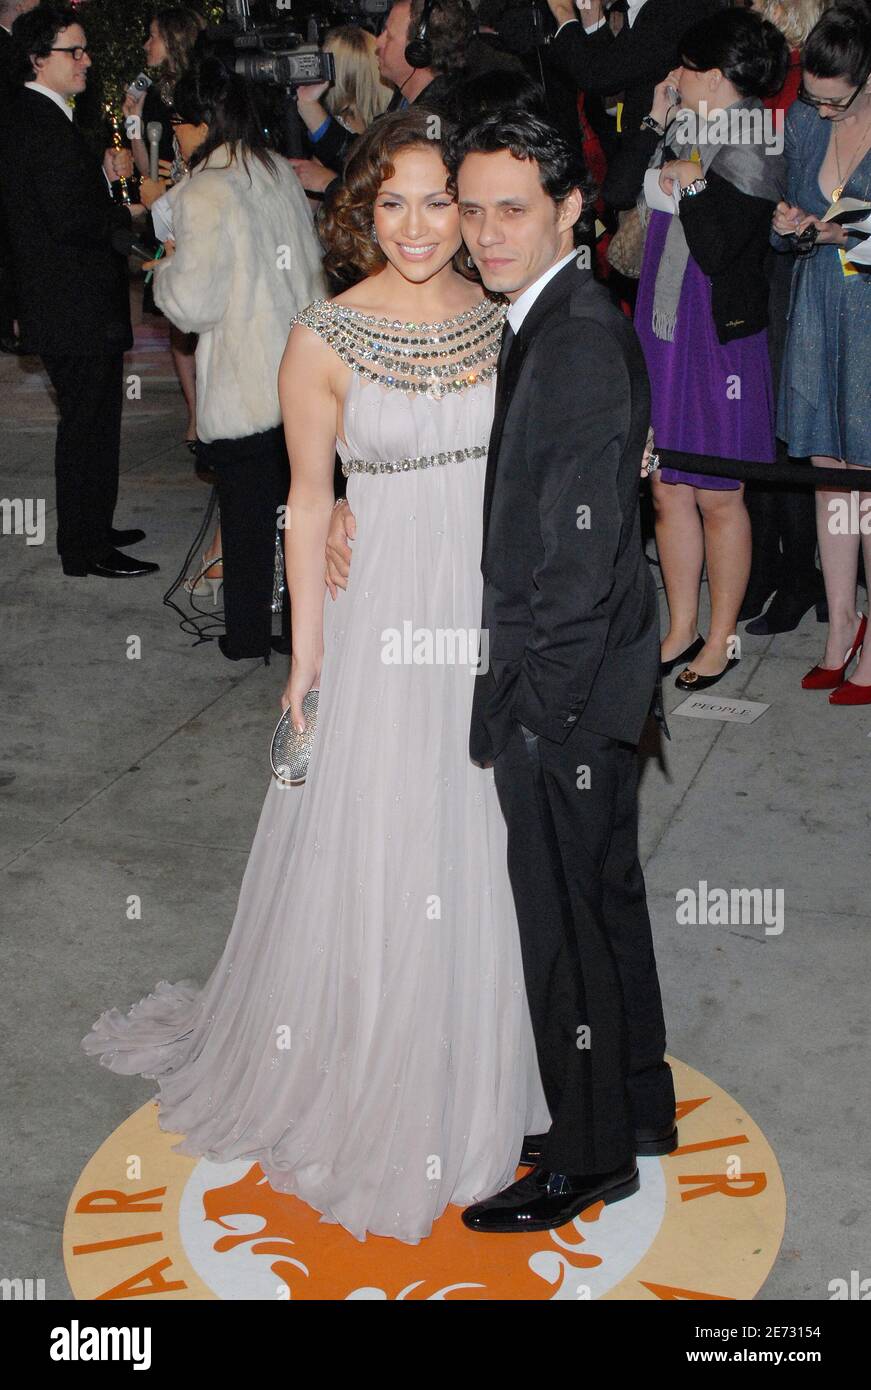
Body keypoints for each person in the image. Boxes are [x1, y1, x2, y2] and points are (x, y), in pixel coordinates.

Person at [82, 109, 550, 1244]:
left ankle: (475, 1048)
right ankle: (363, 1057)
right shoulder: (323, 335)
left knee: (480, 832)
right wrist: (307, 661)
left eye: (439, 199)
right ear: (358, 209)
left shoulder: (506, 321)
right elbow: (303, 500)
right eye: (390, 201)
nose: (418, 225)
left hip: (483, 614)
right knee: (383, 830)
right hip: (382, 614)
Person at [325, 107, 676, 1235]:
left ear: (573, 209)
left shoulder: (567, 335)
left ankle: (585, 1159)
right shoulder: (553, 310)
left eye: (508, 209)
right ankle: (635, 1103)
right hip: (603, 676)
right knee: (607, 900)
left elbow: (571, 566)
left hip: (564, 689)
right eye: (469, 208)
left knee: (564, 923)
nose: (483, 233)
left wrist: (537, 715)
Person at [618, 8, 789, 689]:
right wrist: (659, 126)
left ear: (713, 77)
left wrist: (684, 178)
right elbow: (616, 193)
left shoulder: (756, 146)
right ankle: (679, 625)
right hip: (660, 323)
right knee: (667, 485)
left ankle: (720, 636)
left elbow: (719, 249)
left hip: (717, 337)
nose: (672, 77)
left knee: (717, 492)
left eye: (684, 68)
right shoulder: (684, 127)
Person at [144, 58, 326, 662]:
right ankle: (305, 638)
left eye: (181, 124)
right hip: (301, 378)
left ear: (203, 123)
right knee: (299, 521)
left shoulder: (204, 192)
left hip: (247, 389)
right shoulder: (276, 171)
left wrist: (161, 273)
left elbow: (193, 305)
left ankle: (247, 640)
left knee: (247, 528)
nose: (177, 136)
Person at [0, 4, 158, 579]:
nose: (86, 60)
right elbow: (70, 220)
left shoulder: (41, 117)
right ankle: (84, 547)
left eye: (84, 49)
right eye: (75, 51)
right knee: (87, 424)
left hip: (70, 303)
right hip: (71, 306)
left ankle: (93, 527)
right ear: (39, 58)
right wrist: (130, 212)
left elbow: (60, 204)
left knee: (92, 420)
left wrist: (102, 182)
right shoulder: (38, 122)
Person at [772, 2, 871, 702]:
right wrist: (789, 226)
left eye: (835, 100)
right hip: (815, 309)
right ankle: (840, 626)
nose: (822, 112)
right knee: (827, 472)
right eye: (813, 97)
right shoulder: (804, 122)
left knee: (867, 477)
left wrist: (841, 237)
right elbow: (785, 236)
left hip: (866, 314)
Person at [741, 0, 830, 633]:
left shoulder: (813, 87)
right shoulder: (760, 76)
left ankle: (802, 573)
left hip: (801, 272)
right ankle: (770, 570)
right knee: (763, 430)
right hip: (760, 266)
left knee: (792, 432)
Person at [124, 7, 206, 453]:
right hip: (168, 211)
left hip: (198, 210)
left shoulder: (202, 90)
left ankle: (213, 406)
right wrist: (133, 119)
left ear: (173, 39)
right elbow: (146, 168)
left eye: (152, 37)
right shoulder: (154, 95)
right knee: (177, 317)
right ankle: (195, 410)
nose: (145, 47)